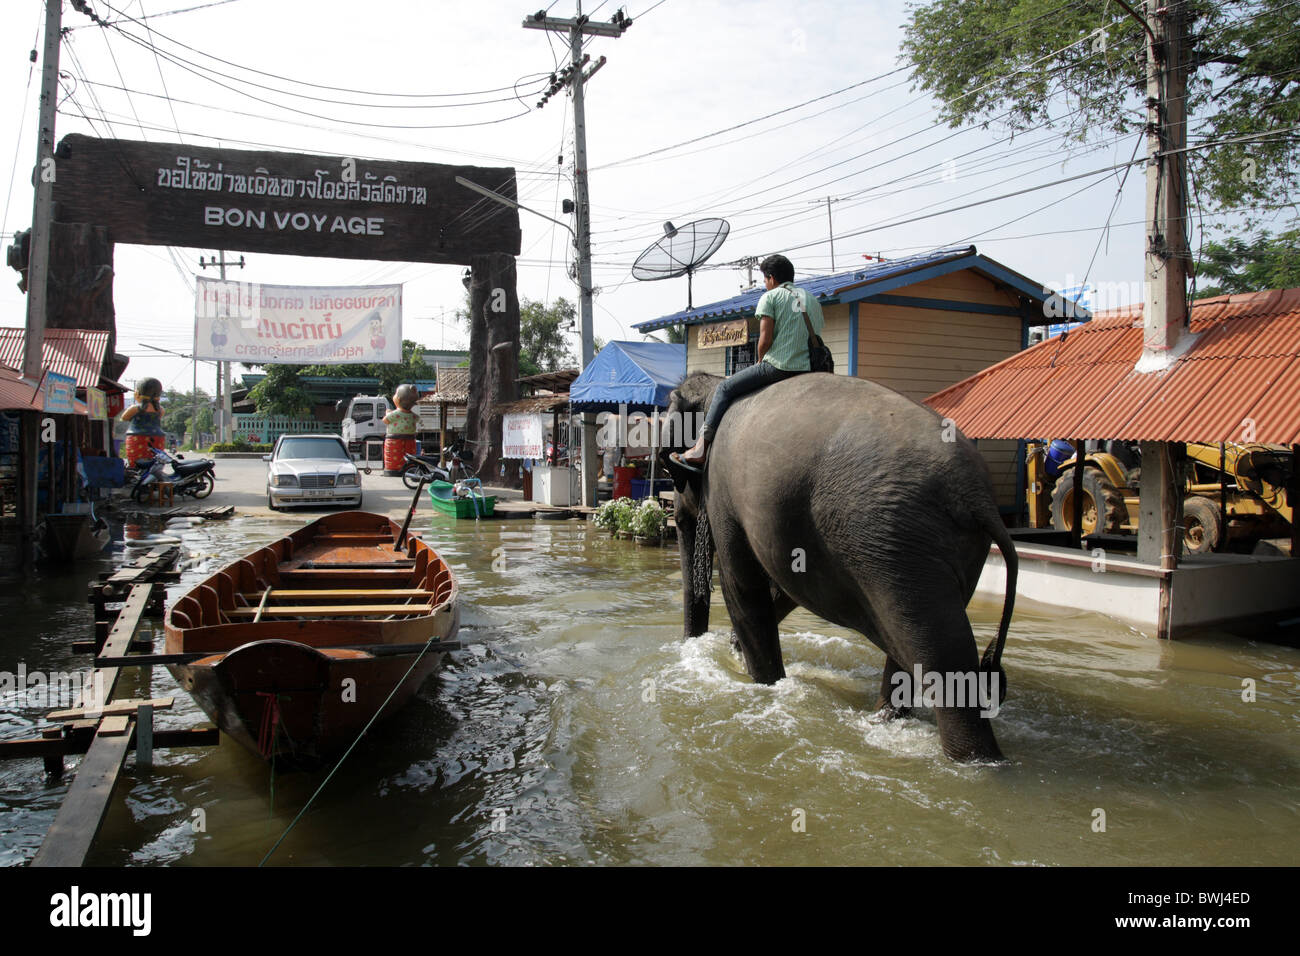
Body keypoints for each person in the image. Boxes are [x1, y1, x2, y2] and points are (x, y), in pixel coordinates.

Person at [672, 254, 824, 470]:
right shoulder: (812, 299)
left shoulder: (771, 297)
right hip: (810, 369)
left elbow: (765, 339)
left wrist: (761, 360)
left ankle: (701, 448)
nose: (765, 284)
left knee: (724, 388)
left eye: (764, 280)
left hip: (780, 367)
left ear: (771, 278)